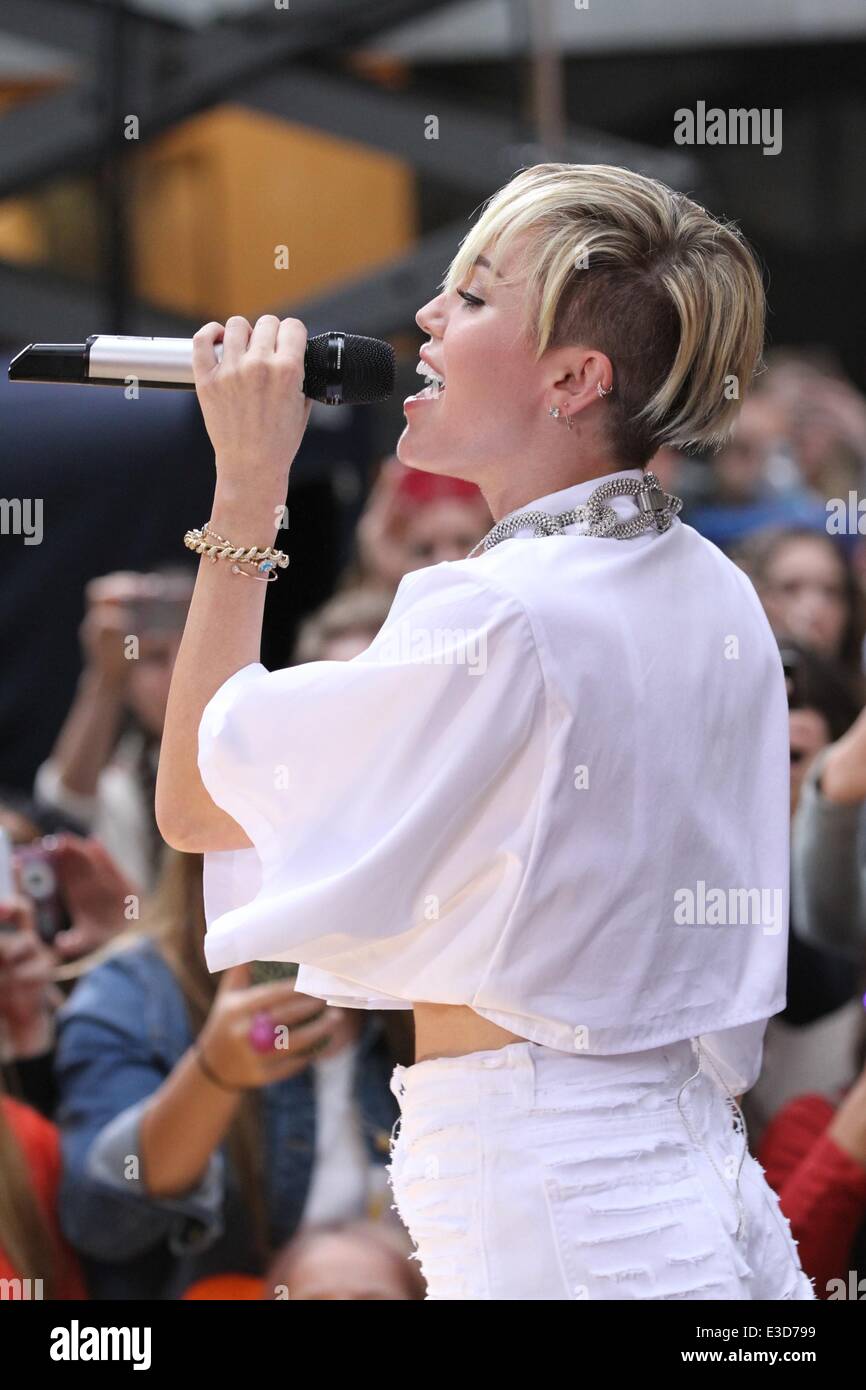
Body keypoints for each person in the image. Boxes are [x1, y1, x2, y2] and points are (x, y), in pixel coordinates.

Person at [155, 162, 816, 1300]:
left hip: (558, 1202)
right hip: (689, 1175)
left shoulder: (500, 608)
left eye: (468, 296)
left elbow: (195, 799)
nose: (424, 315)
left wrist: (248, 490)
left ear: (572, 375)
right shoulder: (712, 588)